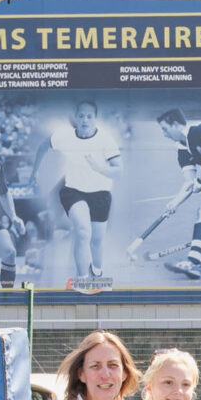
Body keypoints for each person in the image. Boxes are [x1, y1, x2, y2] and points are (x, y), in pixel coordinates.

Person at [52, 99, 123, 291]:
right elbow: (44, 146)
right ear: (76, 117)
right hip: (73, 191)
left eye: (89, 116)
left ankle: (97, 275)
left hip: (100, 194)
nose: (85, 120)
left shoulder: (106, 140)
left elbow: (118, 170)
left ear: (95, 119)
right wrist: (34, 172)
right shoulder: (64, 137)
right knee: (83, 232)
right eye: (81, 116)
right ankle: (82, 278)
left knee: (97, 240)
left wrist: (99, 167)